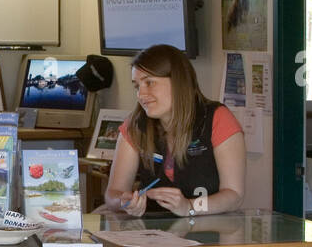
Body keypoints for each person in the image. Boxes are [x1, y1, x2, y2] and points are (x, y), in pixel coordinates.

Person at [104, 43, 245, 217]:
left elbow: (234, 195)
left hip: (208, 233)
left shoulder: (218, 118)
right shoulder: (134, 126)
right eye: (137, 86)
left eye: (149, 82)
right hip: (151, 235)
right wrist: (124, 202)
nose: (141, 94)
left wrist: (190, 207)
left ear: (178, 81)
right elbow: (112, 195)